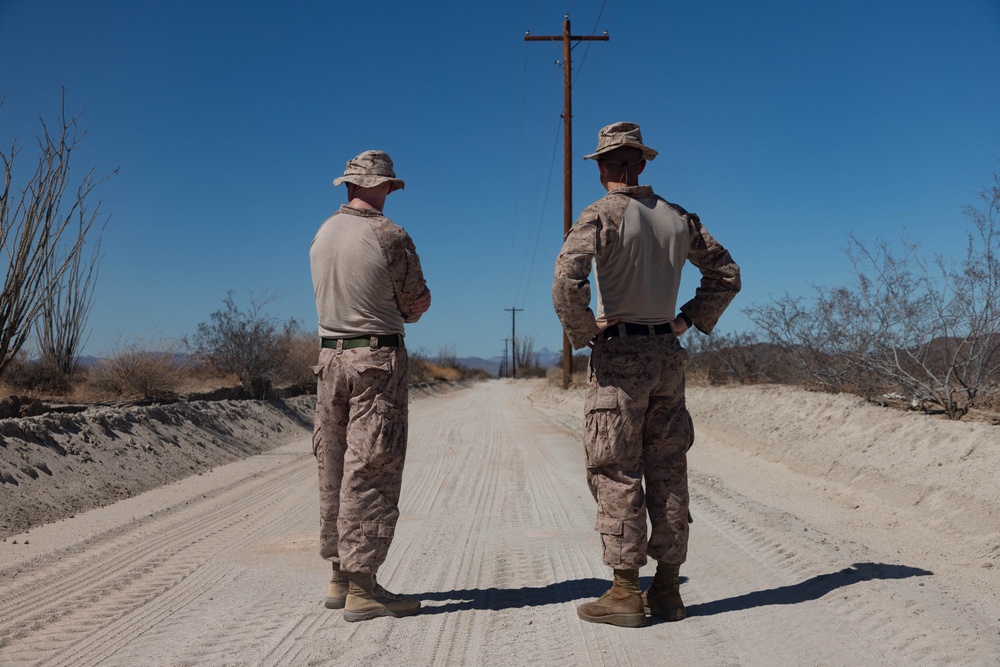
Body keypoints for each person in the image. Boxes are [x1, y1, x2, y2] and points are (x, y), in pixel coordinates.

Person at [552, 122, 740, 627]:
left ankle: (624, 592)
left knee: (615, 468)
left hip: (620, 357)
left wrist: (583, 331)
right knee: (668, 467)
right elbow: (726, 274)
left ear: (602, 166)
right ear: (642, 162)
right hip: (667, 353)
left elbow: (566, 279)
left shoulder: (600, 214)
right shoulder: (680, 218)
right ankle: (667, 588)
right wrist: (688, 320)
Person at [309, 149, 431, 622]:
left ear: (349, 184)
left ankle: (340, 575)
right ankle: (364, 588)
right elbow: (414, 302)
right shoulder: (389, 234)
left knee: (334, 465)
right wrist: (417, 304)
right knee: (372, 468)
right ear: (381, 186)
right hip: (376, 360)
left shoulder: (322, 234)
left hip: (328, 358)